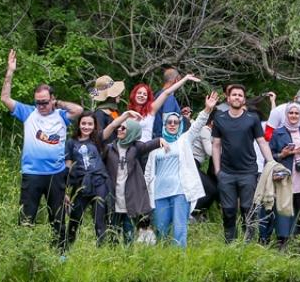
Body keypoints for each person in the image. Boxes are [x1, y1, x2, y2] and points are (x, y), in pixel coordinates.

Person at [0, 49, 83, 247]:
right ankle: (26, 253)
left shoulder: (61, 115)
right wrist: (10, 72)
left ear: (52, 99)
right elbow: (5, 98)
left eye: (44, 102)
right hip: (32, 173)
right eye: (38, 102)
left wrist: (58, 103)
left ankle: (60, 253)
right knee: (26, 217)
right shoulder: (28, 113)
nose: (41, 106)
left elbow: (79, 110)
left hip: (56, 174)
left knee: (58, 216)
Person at [145, 93, 216, 247]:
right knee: (161, 229)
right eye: (169, 122)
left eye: (175, 122)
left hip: (180, 192)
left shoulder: (184, 140)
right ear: (164, 125)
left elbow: (197, 126)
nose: (172, 124)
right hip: (159, 193)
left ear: (179, 125)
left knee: (179, 228)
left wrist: (207, 109)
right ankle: (163, 261)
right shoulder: (155, 145)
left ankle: (179, 260)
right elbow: (148, 173)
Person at [211, 85, 273, 242]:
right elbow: (216, 145)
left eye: (240, 95)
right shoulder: (220, 118)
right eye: (234, 95)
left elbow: (262, 142)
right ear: (228, 98)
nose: (237, 97)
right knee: (228, 210)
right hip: (226, 172)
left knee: (248, 209)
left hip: (248, 172)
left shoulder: (252, 119)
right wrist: (217, 170)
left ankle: (248, 243)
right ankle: (230, 243)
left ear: (244, 99)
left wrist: (272, 163)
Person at [64, 112, 126, 248]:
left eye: (90, 124)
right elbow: (68, 168)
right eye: (84, 123)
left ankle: (102, 250)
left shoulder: (97, 138)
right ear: (79, 124)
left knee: (100, 218)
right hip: (81, 184)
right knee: (75, 217)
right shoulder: (71, 142)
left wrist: (126, 114)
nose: (86, 126)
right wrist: (65, 191)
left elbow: (114, 125)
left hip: (100, 182)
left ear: (94, 126)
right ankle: (66, 250)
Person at [103, 116, 163, 244]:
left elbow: (149, 145)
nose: (119, 129)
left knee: (129, 235)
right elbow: (98, 141)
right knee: (112, 235)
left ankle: (128, 259)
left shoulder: (135, 148)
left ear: (132, 131)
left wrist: (161, 140)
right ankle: (112, 261)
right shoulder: (109, 148)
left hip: (130, 201)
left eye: (123, 128)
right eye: (119, 127)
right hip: (113, 199)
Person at [265, 103, 300, 246]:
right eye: (291, 113)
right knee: (284, 210)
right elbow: (269, 157)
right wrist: (283, 154)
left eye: (296, 113)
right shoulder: (278, 132)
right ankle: (282, 242)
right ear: (286, 115)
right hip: (286, 178)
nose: (293, 116)